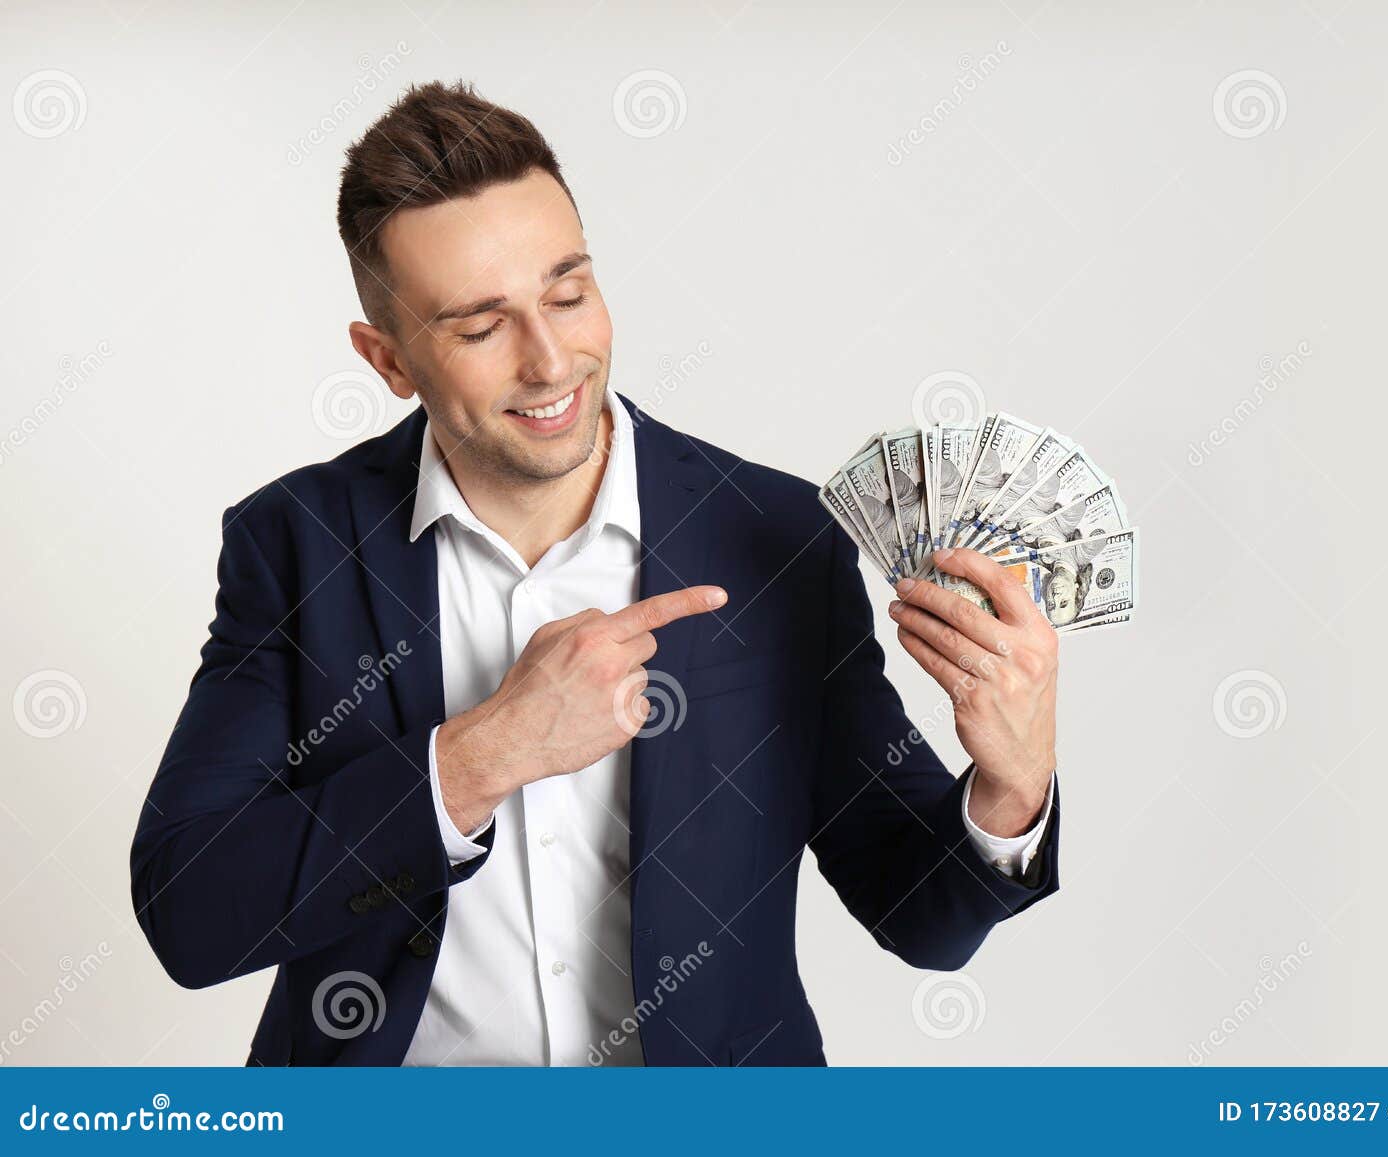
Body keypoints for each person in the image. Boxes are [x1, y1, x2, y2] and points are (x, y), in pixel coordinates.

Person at [130, 80, 1063, 1066]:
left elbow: (920, 915)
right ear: (388, 359)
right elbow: (191, 909)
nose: (549, 360)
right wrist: (479, 755)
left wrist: (1011, 784)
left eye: (568, 292)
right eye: (479, 327)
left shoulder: (775, 537)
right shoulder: (297, 543)